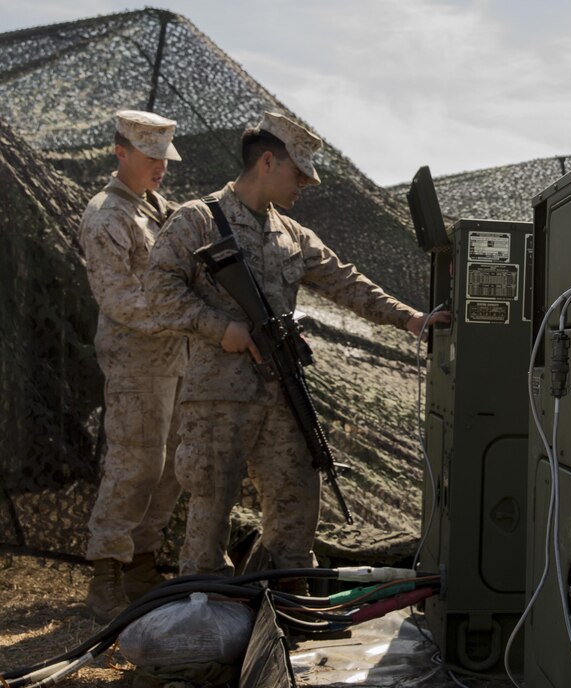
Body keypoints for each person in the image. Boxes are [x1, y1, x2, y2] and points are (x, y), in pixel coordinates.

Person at [145, 111, 448, 579]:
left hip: (282, 391)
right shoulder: (199, 220)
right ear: (267, 161)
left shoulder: (291, 234)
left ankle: (286, 596)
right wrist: (220, 328)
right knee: (211, 506)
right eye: (299, 173)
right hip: (219, 395)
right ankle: (203, 604)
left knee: (297, 501)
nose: (304, 185)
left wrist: (409, 319)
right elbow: (158, 290)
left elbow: (345, 281)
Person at [79, 109, 187, 621]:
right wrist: (188, 317)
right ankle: (105, 572)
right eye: (150, 157)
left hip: (176, 357)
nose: (160, 167)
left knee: (171, 466)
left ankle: (142, 563)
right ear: (121, 153)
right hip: (136, 362)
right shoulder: (107, 215)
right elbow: (119, 298)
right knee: (135, 465)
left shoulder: (159, 208)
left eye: (165, 158)